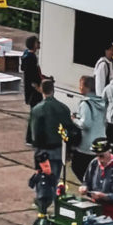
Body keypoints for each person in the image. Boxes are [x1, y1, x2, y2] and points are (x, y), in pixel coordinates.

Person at [25, 76, 74, 210]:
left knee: (43, 180)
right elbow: (69, 130)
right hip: (59, 151)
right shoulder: (64, 108)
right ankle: (53, 201)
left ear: (41, 90)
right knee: (55, 179)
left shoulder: (37, 109)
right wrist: (69, 150)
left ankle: (43, 205)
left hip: (43, 152)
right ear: (53, 90)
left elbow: (34, 133)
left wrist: (33, 145)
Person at [69, 74, 103, 182]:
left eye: (81, 85)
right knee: (94, 169)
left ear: (87, 88)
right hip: (100, 141)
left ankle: (88, 187)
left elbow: (85, 124)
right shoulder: (101, 102)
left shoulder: (85, 103)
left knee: (76, 166)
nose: (79, 88)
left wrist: (74, 120)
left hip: (87, 144)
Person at [20, 35, 44, 108]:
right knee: (36, 107)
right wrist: (37, 87)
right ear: (33, 44)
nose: (39, 43)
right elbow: (31, 75)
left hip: (32, 88)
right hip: (34, 90)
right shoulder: (30, 58)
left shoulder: (27, 54)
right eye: (37, 42)